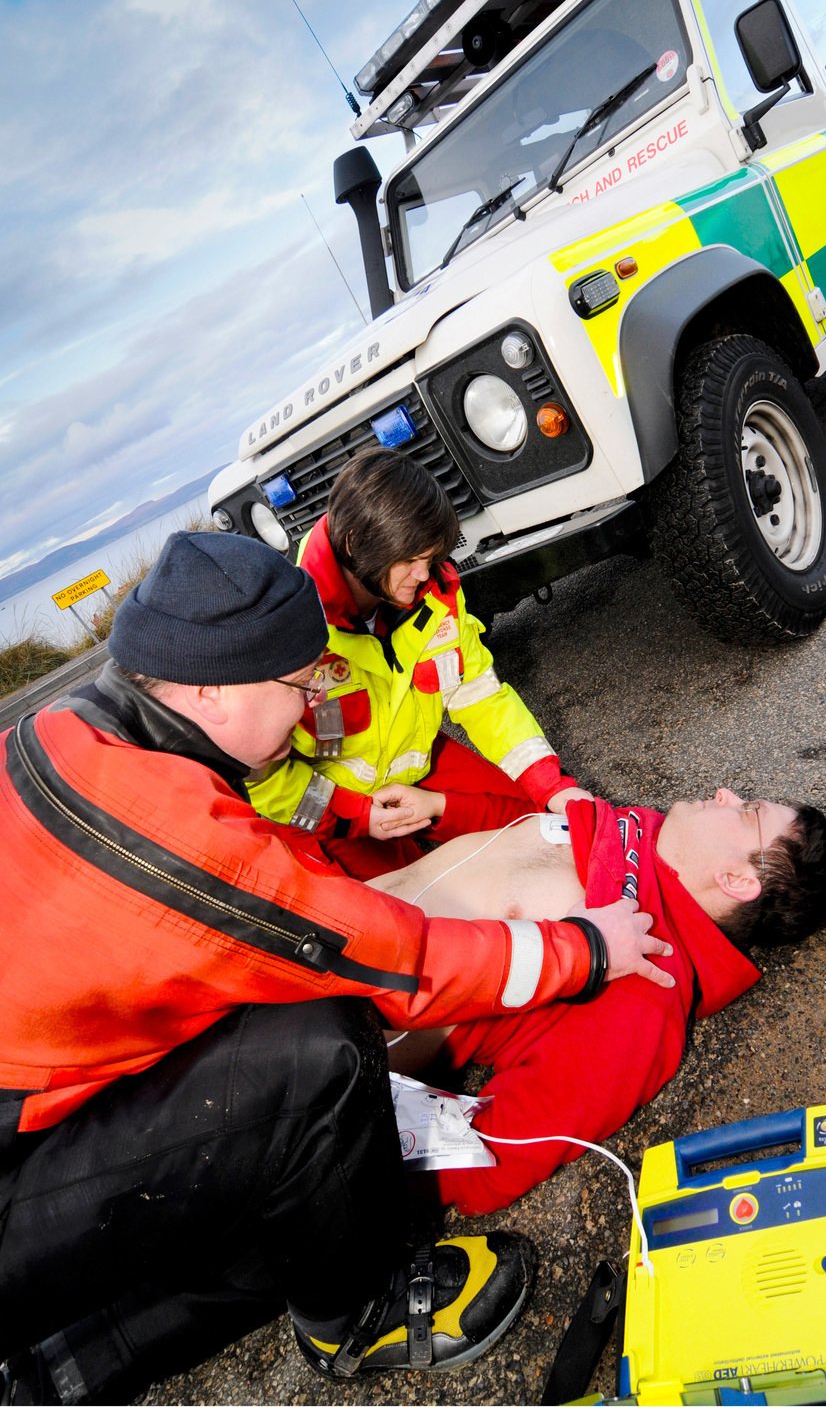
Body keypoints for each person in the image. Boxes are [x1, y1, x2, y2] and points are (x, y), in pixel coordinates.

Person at [0, 532, 672, 1405]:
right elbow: (397, 962)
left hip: (33, 1124)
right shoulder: (169, 833)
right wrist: (587, 948)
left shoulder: (57, 731)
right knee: (317, 1050)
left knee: (280, 1175)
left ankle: (54, 1369)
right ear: (210, 685)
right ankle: (358, 1319)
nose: (318, 699)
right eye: (301, 681)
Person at [371, 789, 826, 1214]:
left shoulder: (642, 991)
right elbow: (516, 831)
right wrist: (446, 809)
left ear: (737, 879)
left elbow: (491, 1160)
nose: (724, 793)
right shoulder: (628, 832)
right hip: (314, 911)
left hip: (314, 1025)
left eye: (748, 812)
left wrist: (326, 1147)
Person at [246, 448, 592, 878]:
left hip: (418, 774)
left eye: (430, 559)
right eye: (410, 560)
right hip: (335, 810)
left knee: (546, 821)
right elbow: (266, 778)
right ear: (355, 542)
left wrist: (555, 787)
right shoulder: (282, 626)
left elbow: (482, 697)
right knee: (403, 910)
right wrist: (357, 816)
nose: (424, 575)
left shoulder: (437, 598)